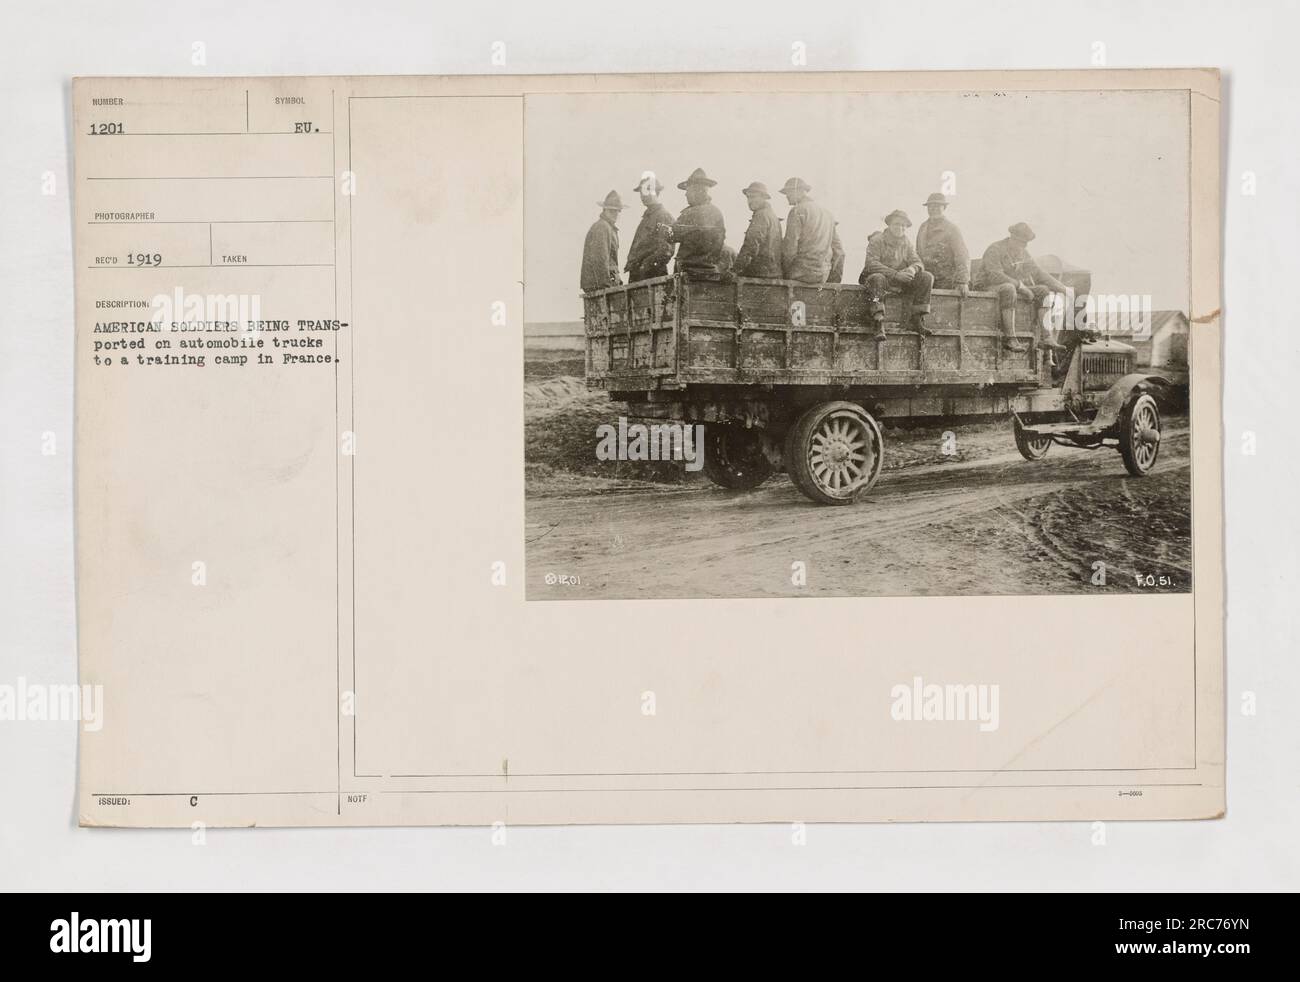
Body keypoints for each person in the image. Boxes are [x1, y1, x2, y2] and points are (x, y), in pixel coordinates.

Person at [975, 222, 1069, 353]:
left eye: (1025, 243)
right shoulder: (995, 249)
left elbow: (1038, 273)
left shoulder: (1023, 253)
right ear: (1012, 237)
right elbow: (994, 275)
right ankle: (1010, 338)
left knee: (1043, 291)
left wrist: (1063, 288)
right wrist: (1020, 286)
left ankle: (1046, 338)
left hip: (1008, 289)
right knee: (1009, 288)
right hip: (986, 288)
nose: (1023, 246)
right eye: (1021, 242)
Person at [858, 209, 934, 340]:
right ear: (889, 225)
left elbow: (918, 262)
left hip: (899, 281)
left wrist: (912, 269)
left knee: (926, 277)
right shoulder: (877, 240)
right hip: (879, 281)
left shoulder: (906, 243)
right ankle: (878, 321)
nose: (901, 228)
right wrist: (895, 274)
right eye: (897, 224)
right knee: (877, 278)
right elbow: (871, 264)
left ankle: (916, 319)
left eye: (904, 225)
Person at [778, 177, 843, 284]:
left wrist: (783, 273)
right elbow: (839, 251)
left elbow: (790, 247)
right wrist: (834, 278)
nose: (786, 197)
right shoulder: (828, 214)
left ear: (798, 191)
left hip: (801, 273)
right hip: (823, 274)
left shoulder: (797, 211)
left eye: (788, 193)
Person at [663, 167, 726, 276]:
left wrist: (663, 229)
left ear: (699, 190)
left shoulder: (692, 212)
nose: (686, 194)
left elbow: (672, 234)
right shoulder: (716, 212)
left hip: (690, 273)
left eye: (688, 191)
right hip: (710, 272)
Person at [624, 173, 675, 282]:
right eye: (641, 193)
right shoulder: (646, 218)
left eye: (646, 191)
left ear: (656, 192)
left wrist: (644, 267)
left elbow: (666, 250)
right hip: (638, 276)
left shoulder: (663, 216)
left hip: (652, 276)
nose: (642, 196)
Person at [915, 192, 970, 293]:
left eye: (937, 206)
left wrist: (963, 281)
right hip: (926, 280)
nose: (933, 209)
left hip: (946, 281)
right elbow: (917, 254)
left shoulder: (951, 229)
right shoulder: (923, 228)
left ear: (944, 208)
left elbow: (961, 255)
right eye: (930, 206)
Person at [732, 181, 783, 278]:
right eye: (748, 197)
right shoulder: (772, 216)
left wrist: (735, 270)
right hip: (772, 273)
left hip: (760, 274)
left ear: (763, 198)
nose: (750, 201)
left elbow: (751, 245)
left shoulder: (761, 215)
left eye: (753, 197)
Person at [580, 190, 625, 293]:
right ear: (604, 209)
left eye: (617, 211)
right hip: (599, 285)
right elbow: (600, 258)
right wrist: (606, 286)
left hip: (605, 283)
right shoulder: (602, 227)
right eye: (611, 210)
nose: (615, 214)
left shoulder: (608, 227)